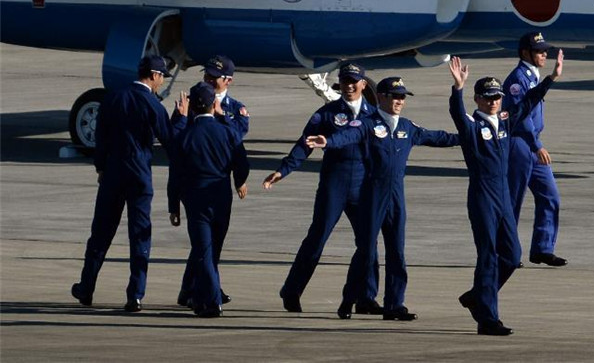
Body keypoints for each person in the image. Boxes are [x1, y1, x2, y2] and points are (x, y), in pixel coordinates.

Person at [310, 77, 459, 321]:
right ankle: (349, 299)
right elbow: (347, 136)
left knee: (397, 252)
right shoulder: (367, 124)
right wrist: (328, 141)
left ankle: (394, 304)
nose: (399, 101)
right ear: (381, 97)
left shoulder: (407, 127)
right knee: (366, 251)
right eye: (394, 96)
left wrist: (468, 136)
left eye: (402, 97)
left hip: (396, 196)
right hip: (372, 193)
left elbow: (437, 137)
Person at [448, 52, 563, 336]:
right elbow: (456, 115)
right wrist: (458, 89)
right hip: (483, 198)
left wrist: (550, 78)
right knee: (488, 256)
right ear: (477, 100)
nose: (493, 101)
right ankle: (488, 319)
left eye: (497, 97)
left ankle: (477, 296)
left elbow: (527, 102)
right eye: (487, 97)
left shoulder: (504, 121)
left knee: (512, 256)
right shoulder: (472, 127)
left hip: (502, 198)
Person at [261, 63, 381, 318]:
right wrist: (284, 170)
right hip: (334, 183)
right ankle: (291, 290)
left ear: (362, 84)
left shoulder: (374, 116)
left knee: (369, 241)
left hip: (362, 184)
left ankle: (366, 296)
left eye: (353, 81)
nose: (349, 85)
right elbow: (304, 144)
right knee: (317, 238)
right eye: (345, 81)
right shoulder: (325, 114)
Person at [71, 54, 186, 312]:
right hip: (139, 176)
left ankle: (86, 287)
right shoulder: (153, 105)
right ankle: (135, 295)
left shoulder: (114, 97)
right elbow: (169, 141)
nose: (160, 83)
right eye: (161, 77)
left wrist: (100, 166)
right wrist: (180, 118)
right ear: (154, 76)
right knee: (140, 236)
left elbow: (101, 136)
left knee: (100, 234)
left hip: (112, 172)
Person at [168, 82, 249, 318]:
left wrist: (174, 205)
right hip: (221, 195)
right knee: (213, 250)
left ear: (192, 106)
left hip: (196, 198)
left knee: (203, 250)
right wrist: (237, 181)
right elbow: (242, 164)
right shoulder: (228, 132)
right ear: (214, 104)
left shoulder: (186, 135)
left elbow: (176, 173)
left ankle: (211, 301)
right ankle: (202, 295)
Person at [504, 32, 567, 267]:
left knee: (550, 196)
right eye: (540, 51)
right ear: (525, 53)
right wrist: (537, 145)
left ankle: (543, 248)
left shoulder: (532, 76)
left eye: (545, 51)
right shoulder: (517, 79)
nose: (544, 54)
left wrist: (552, 76)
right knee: (512, 201)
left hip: (532, 143)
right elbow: (521, 116)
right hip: (520, 144)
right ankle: (507, 252)